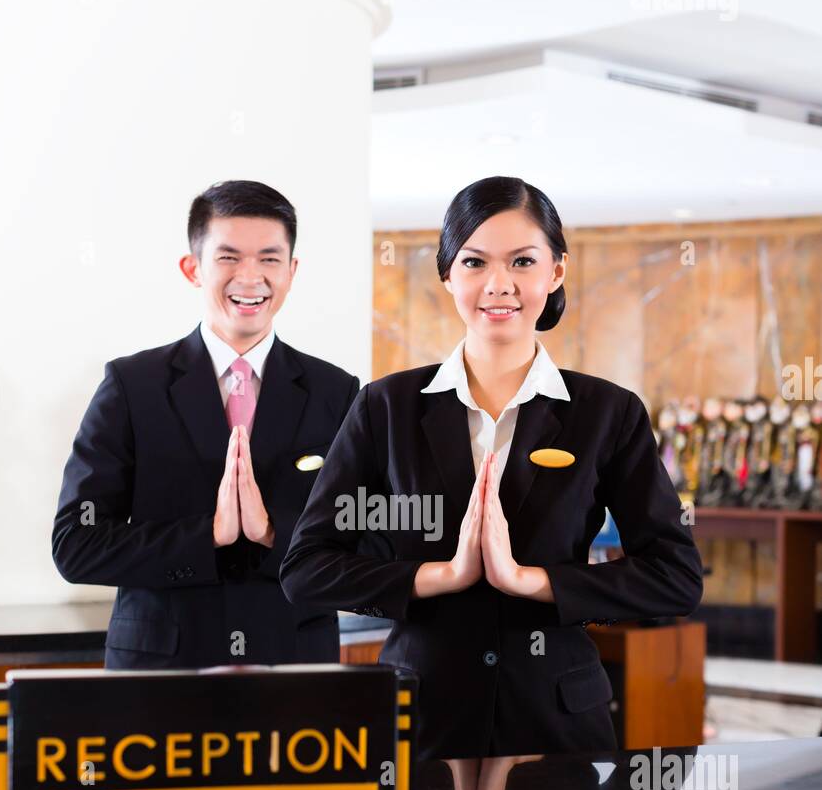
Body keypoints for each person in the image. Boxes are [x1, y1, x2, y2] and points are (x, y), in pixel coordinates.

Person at [280, 175, 704, 758]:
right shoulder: (386, 406)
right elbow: (306, 568)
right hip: (420, 719)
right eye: (475, 262)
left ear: (555, 271)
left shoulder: (607, 413)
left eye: (522, 262)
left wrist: (531, 581)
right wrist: (442, 575)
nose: (498, 285)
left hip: (557, 719)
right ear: (447, 274)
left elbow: (675, 576)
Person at [52, 180, 358, 669]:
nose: (251, 277)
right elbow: (77, 545)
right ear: (192, 268)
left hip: (294, 665)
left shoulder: (336, 392)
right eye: (229, 257)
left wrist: (271, 531)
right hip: (160, 670)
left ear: (292, 271)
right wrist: (208, 534)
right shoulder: (133, 386)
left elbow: (363, 541)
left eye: (269, 259)